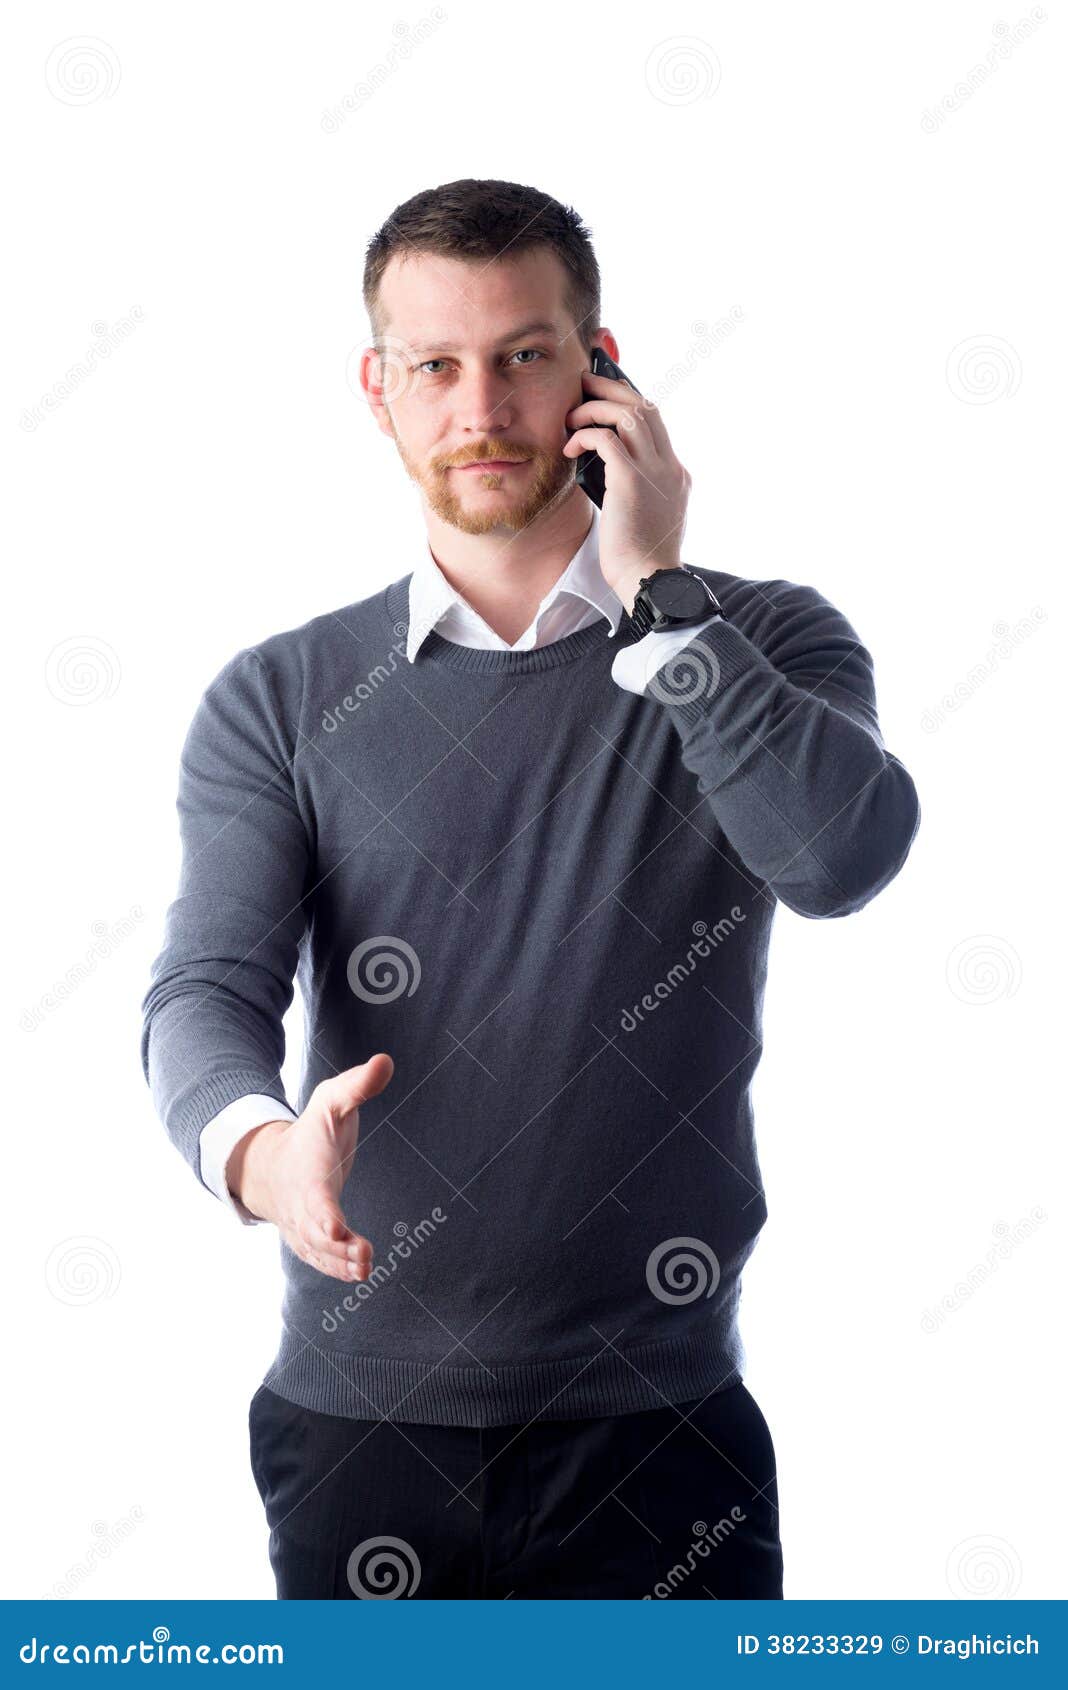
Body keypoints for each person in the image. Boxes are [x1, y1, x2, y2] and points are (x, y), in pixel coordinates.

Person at [141, 178, 920, 1599]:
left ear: (599, 371)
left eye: (523, 354)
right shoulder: (281, 695)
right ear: (378, 391)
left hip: (664, 1427)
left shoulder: (759, 640)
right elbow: (206, 991)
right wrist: (265, 1154)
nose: (479, 406)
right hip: (361, 1425)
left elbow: (840, 860)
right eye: (434, 365)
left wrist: (665, 599)